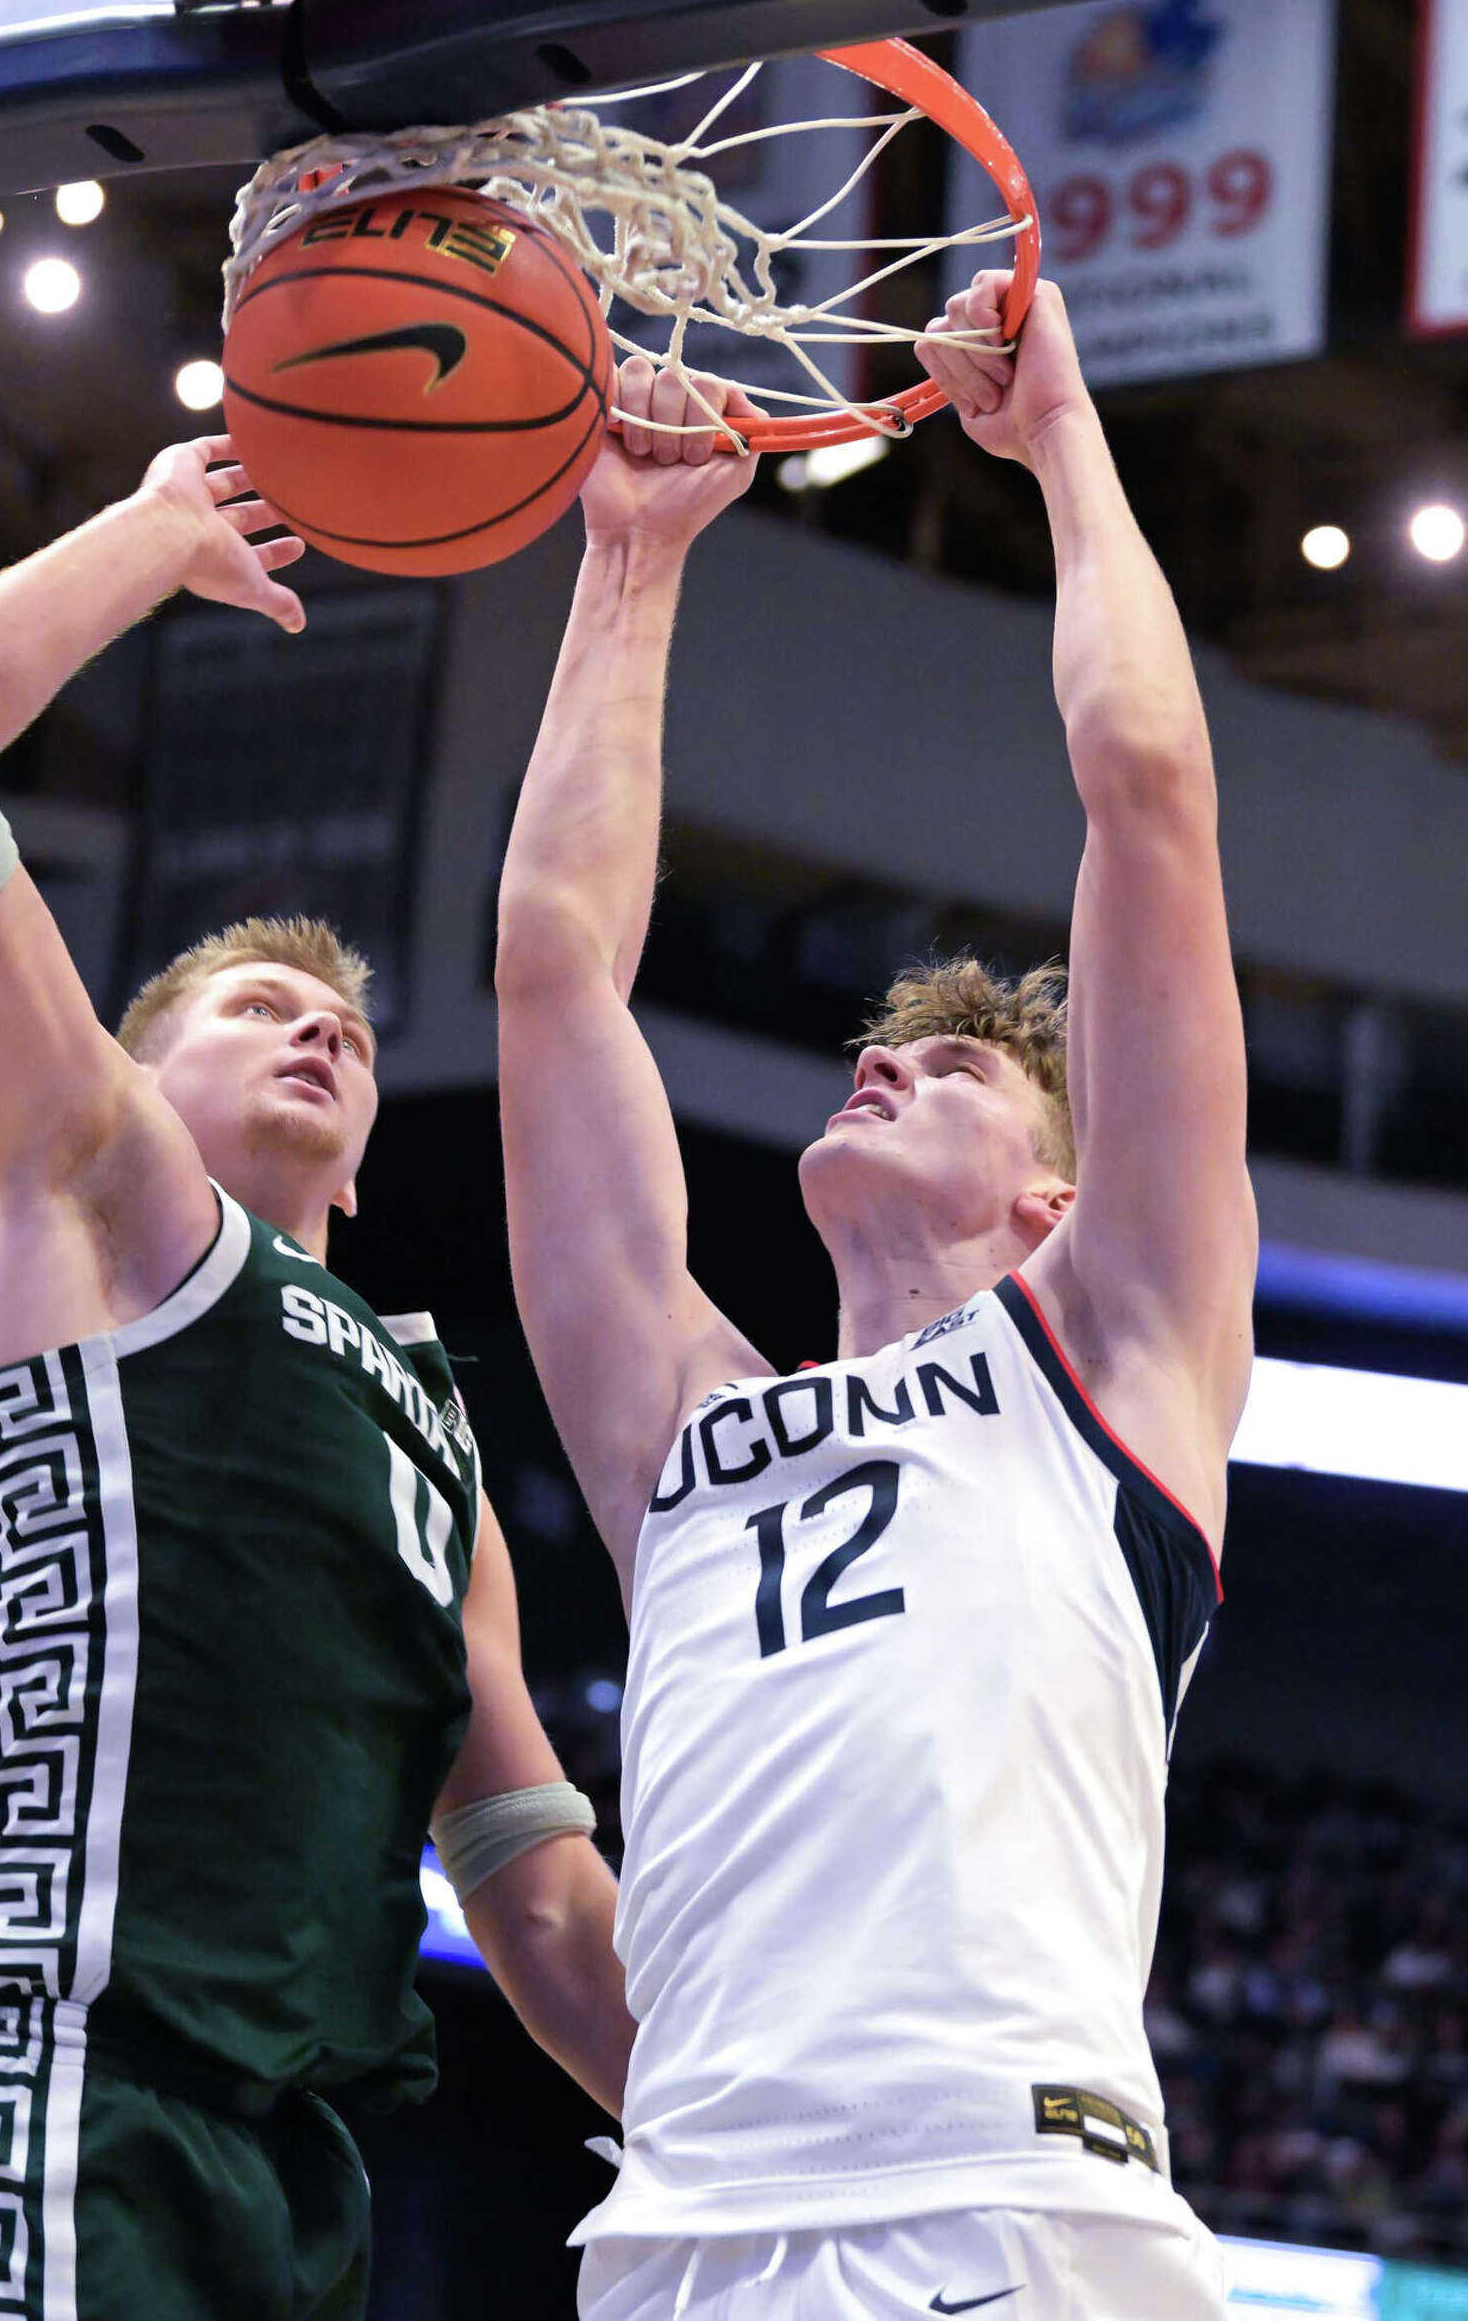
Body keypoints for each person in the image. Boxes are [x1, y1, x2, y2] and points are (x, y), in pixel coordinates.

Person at [0, 436, 630, 2321]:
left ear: (366, 1161)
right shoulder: (97, 1183)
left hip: (301, 2186)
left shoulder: (438, 1447)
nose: (320, 1026)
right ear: (129, 1066)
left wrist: (792, 2134)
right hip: (55, 2100)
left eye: (347, 1027)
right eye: (258, 1008)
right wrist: (153, 535)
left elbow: (536, 1897)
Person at [495, 279, 1255, 2319]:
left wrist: (1062, 448)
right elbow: (555, 970)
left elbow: (1149, 796)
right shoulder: (681, 1421)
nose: (887, 1063)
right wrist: (630, 560)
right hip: (683, 2222)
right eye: (880, 1051)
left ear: (1055, 1194)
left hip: (1004, 2196)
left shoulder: (1117, 1343)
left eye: (958, 1067)